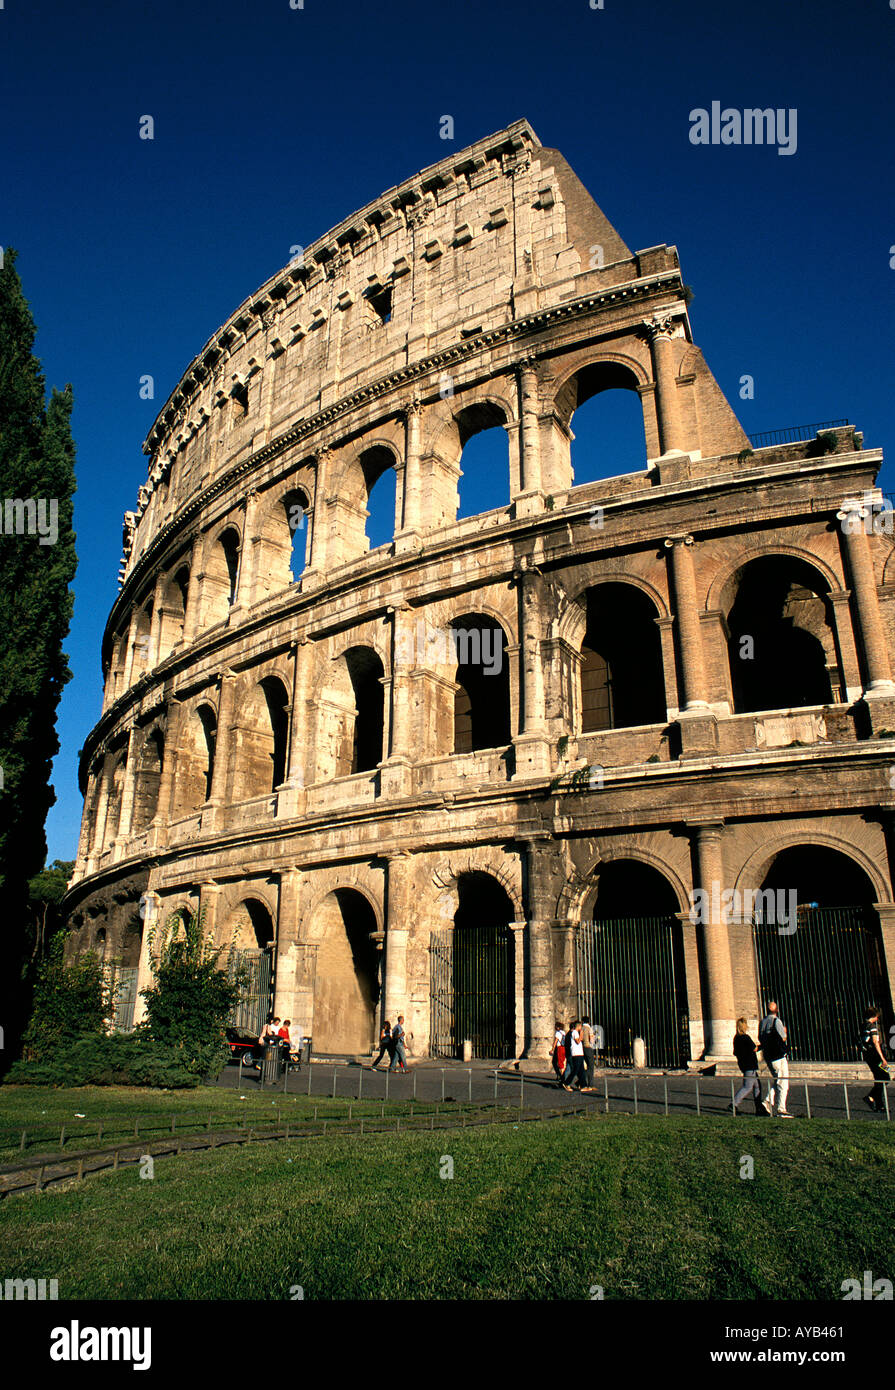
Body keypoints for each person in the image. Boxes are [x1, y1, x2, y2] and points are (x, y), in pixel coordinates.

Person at [758, 1001, 793, 1117]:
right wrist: (785, 1033)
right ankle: (781, 1108)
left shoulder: (762, 1022)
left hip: (768, 1055)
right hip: (778, 1056)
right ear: (776, 1010)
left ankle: (767, 1101)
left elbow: (760, 1038)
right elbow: (783, 1038)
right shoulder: (776, 1021)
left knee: (778, 1080)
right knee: (783, 1082)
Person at [860, 1007, 890, 1113]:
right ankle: (870, 1097)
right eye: (876, 1017)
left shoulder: (863, 1026)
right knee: (885, 1077)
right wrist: (883, 1058)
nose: (877, 1019)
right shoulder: (872, 1027)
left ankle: (879, 1105)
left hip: (868, 1055)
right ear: (873, 1016)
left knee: (879, 1078)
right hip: (875, 1055)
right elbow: (875, 1043)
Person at [731, 1017, 764, 1115]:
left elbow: (735, 1052)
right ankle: (733, 1104)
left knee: (757, 1085)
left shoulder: (736, 1038)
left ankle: (759, 1108)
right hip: (750, 1065)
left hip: (743, 1064)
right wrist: (763, 1045)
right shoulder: (745, 1037)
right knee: (747, 1087)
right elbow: (754, 1048)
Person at [563, 1021, 586, 1091]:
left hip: (579, 1053)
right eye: (581, 1026)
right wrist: (581, 1034)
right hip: (576, 1054)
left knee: (581, 1070)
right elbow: (578, 1041)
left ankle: (583, 1085)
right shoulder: (575, 1033)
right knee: (575, 1070)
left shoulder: (576, 1033)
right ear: (578, 1026)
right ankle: (566, 1083)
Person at [580, 1017, 596, 1091]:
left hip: (583, 1047)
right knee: (591, 1066)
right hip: (588, 1047)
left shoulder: (582, 1028)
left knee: (588, 1065)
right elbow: (592, 1039)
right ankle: (589, 1084)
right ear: (589, 1022)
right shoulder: (589, 1028)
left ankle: (588, 1083)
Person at [551, 1021, 567, 1087]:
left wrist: (552, 1049)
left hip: (559, 1048)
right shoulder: (563, 1032)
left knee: (560, 1063)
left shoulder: (557, 1033)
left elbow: (555, 1041)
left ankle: (563, 1077)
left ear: (557, 1027)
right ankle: (561, 1076)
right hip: (564, 1048)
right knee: (561, 1061)